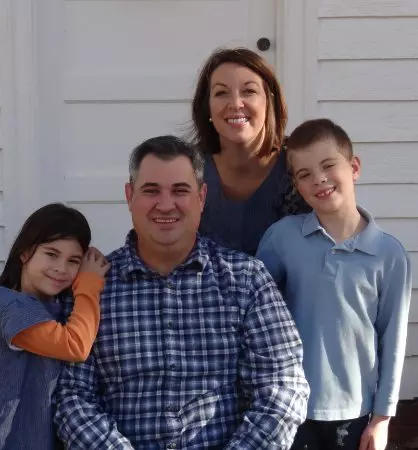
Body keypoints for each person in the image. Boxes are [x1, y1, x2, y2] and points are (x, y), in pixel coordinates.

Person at [54, 135, 309, 449]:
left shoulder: (247, 280)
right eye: (151, 191)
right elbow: (72, 396)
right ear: (129, 195)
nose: (165, 204)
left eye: (180, 190)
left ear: (202, 198)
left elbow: (283, 389)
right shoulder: (92, 287)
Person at [256, 119, 412, 450]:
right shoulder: (282, 238)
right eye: (305, 174)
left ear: (354, 167)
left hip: (356, 413)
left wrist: (382, 419)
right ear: (296, 185)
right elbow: (256, 320)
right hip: (290, 408)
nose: (319, 180)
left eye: (328, 165)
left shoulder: (389, 254)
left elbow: (392, 340)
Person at [0, 203, 110, 450]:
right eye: (51, 254)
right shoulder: (9, 305)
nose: (61, 268)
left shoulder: (53, 306)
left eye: (74, 260)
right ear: (25, 252)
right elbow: (74, 345)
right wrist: (89, 283)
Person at [191, 47, 310, 256]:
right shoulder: (187, 169)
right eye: (221, 93)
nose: (236, 104)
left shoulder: (302, 163)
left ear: (269, 101)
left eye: (249, 91)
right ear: (207, 107)